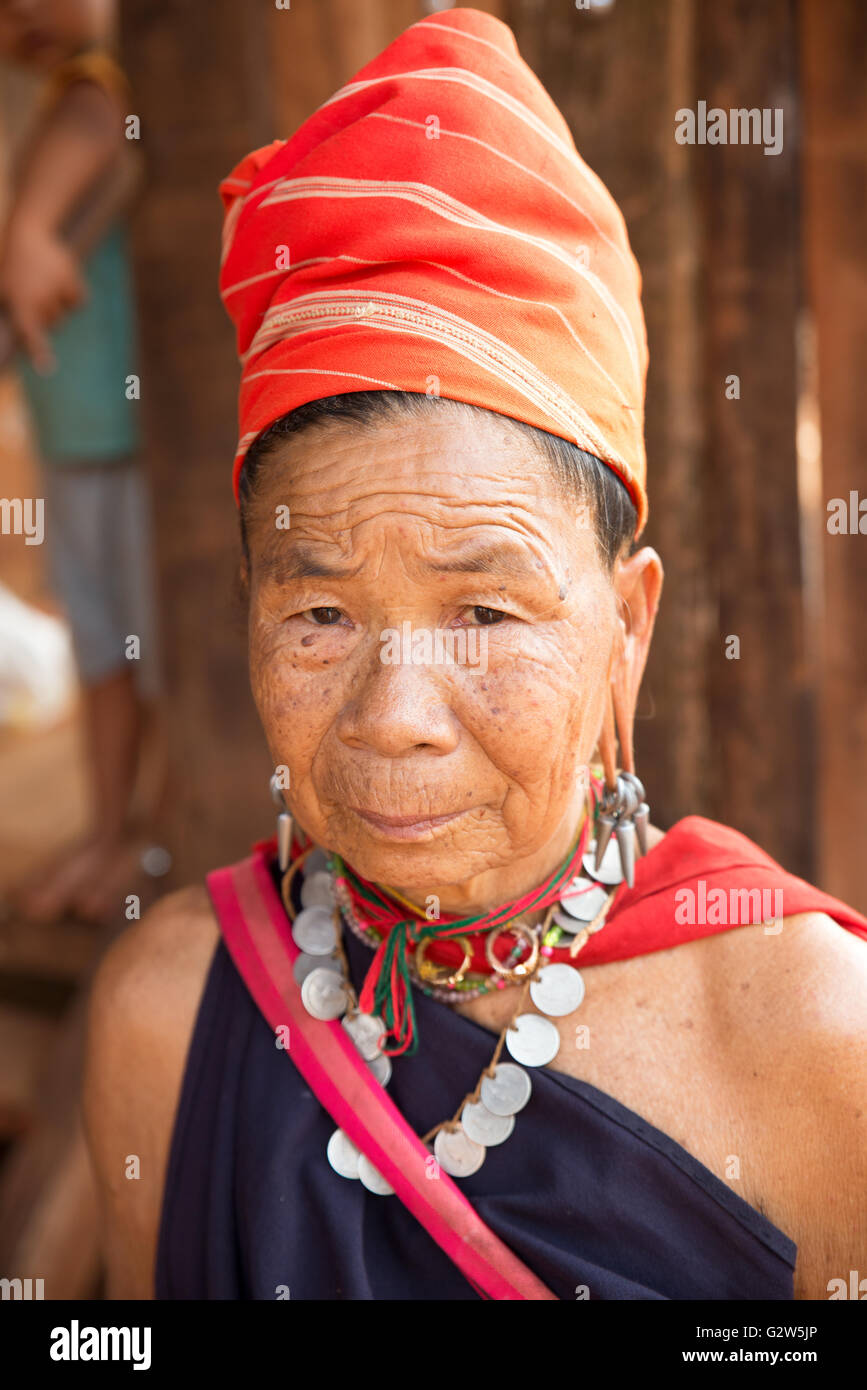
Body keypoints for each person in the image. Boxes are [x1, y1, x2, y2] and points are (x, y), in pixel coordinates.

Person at [83, 8, 867, 1300]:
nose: (392, 715)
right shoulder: (165, 1018)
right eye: (319, 614)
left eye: (484, 613)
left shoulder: (817, 1053)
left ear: (626, 628)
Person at [0, 0, 167, 924]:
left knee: (159, 662)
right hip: (76, 449)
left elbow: (95, 117)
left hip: (145, 454)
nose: (21, 9)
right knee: (106, 652)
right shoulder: (47, 110)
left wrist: (25, 231)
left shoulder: (99, 94)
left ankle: (157, 839)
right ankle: (110, 831)